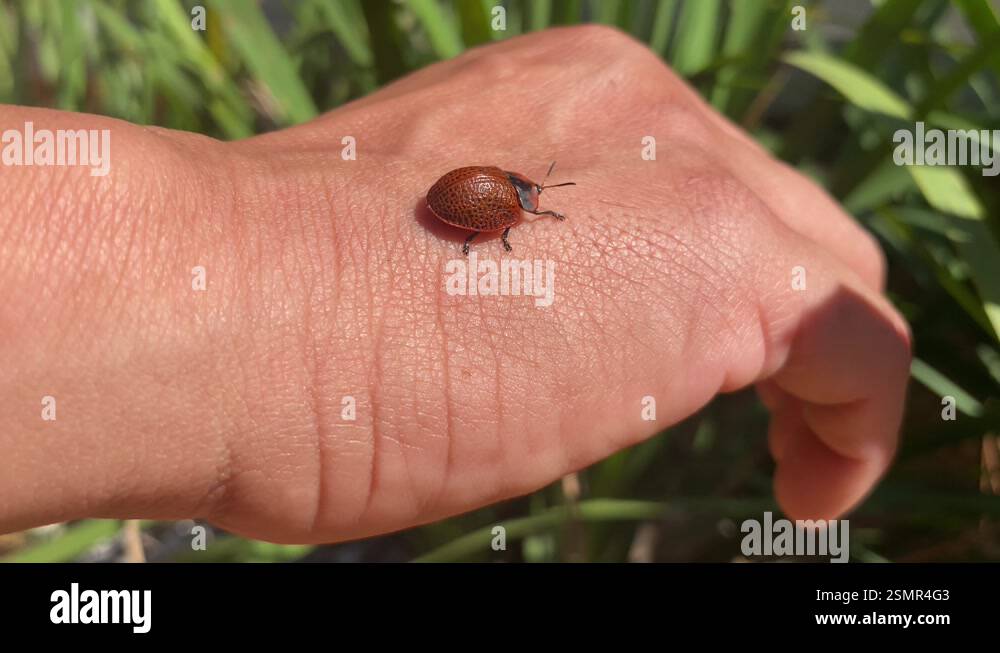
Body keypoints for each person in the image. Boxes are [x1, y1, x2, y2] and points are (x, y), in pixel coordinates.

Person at [0, 26, 910, 544]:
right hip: (460, 202)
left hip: (464, 199)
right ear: (517, 197)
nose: (532, 202)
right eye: (531, 196)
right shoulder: (499, 206)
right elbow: (477, 201)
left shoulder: (508, 198)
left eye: (529, 198)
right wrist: (255, 254)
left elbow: (491, 198)